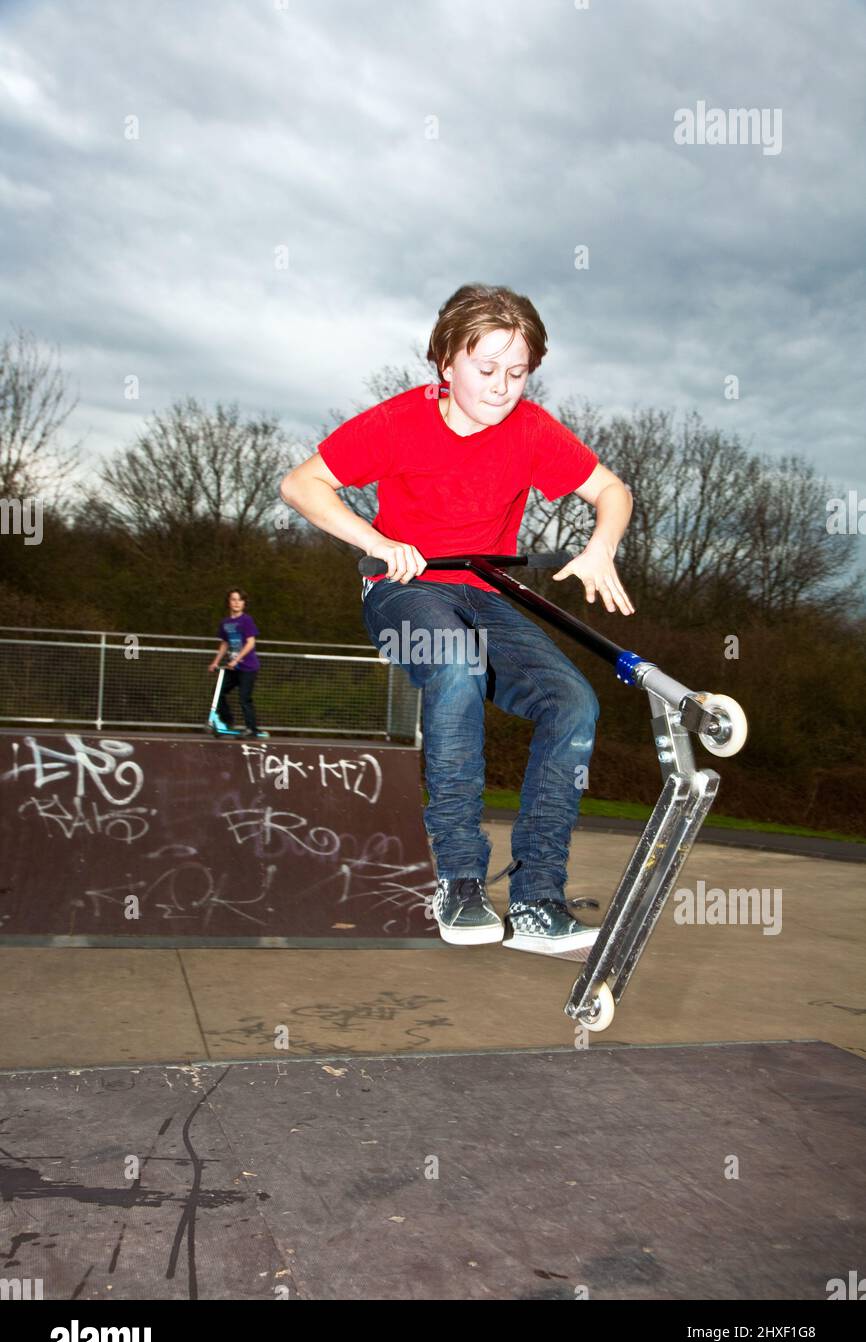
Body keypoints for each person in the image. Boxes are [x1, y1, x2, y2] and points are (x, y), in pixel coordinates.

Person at [279, 283, 634, 955]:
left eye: (518, 373)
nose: (502, 387)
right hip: (403, 591)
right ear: (447, 362)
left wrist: (600, 546)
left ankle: (535, 901)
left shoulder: (531, 431)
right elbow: (301, 484)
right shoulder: (399, 421)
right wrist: (376, 542)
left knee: (574, 703)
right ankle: (460, 879)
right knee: (456, 667)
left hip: (487, 595)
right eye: (486, 368)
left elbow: (611, 489)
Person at [208, 587, 269, 739]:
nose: (236, 603)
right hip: (233, 668)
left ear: (243, 604)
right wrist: (215, 662)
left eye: (239, 600)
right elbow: (224, 644)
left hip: (248, 667)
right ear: (229, 602)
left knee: (244, 698)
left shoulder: (246, 620)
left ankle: (251, 728)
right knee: (218, 692)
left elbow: (250, 643)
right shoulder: (225, 622)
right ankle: (227, 722)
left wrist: (236, 659)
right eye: (233, 599)